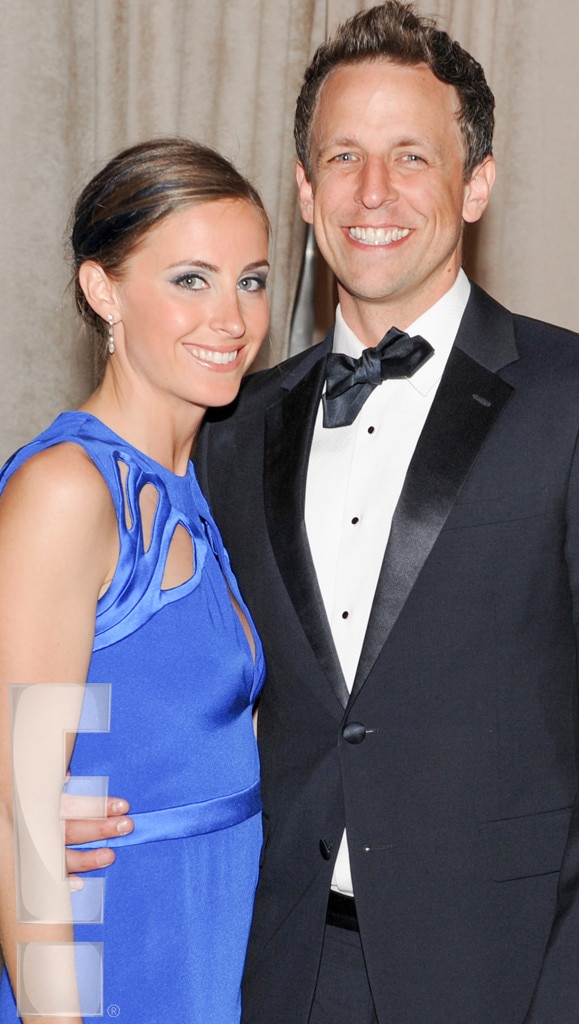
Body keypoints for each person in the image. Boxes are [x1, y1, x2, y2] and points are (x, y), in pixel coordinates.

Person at [68, 4, 579, 1022]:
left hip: (505, 981)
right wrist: (43, 796)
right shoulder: (230, 424)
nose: (373, 193)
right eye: (342, 156)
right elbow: (141, 649)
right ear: (303, 188)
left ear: (475, 185)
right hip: (267, 968)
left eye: (410, 156)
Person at [0, 137, 270, 1023]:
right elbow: (22, 826)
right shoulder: (69, 492)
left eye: (253, 280)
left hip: (204, 949)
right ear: (102, 289)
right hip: (113, 962)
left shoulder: (197, 485)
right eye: (191, 279)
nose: (230, 316)